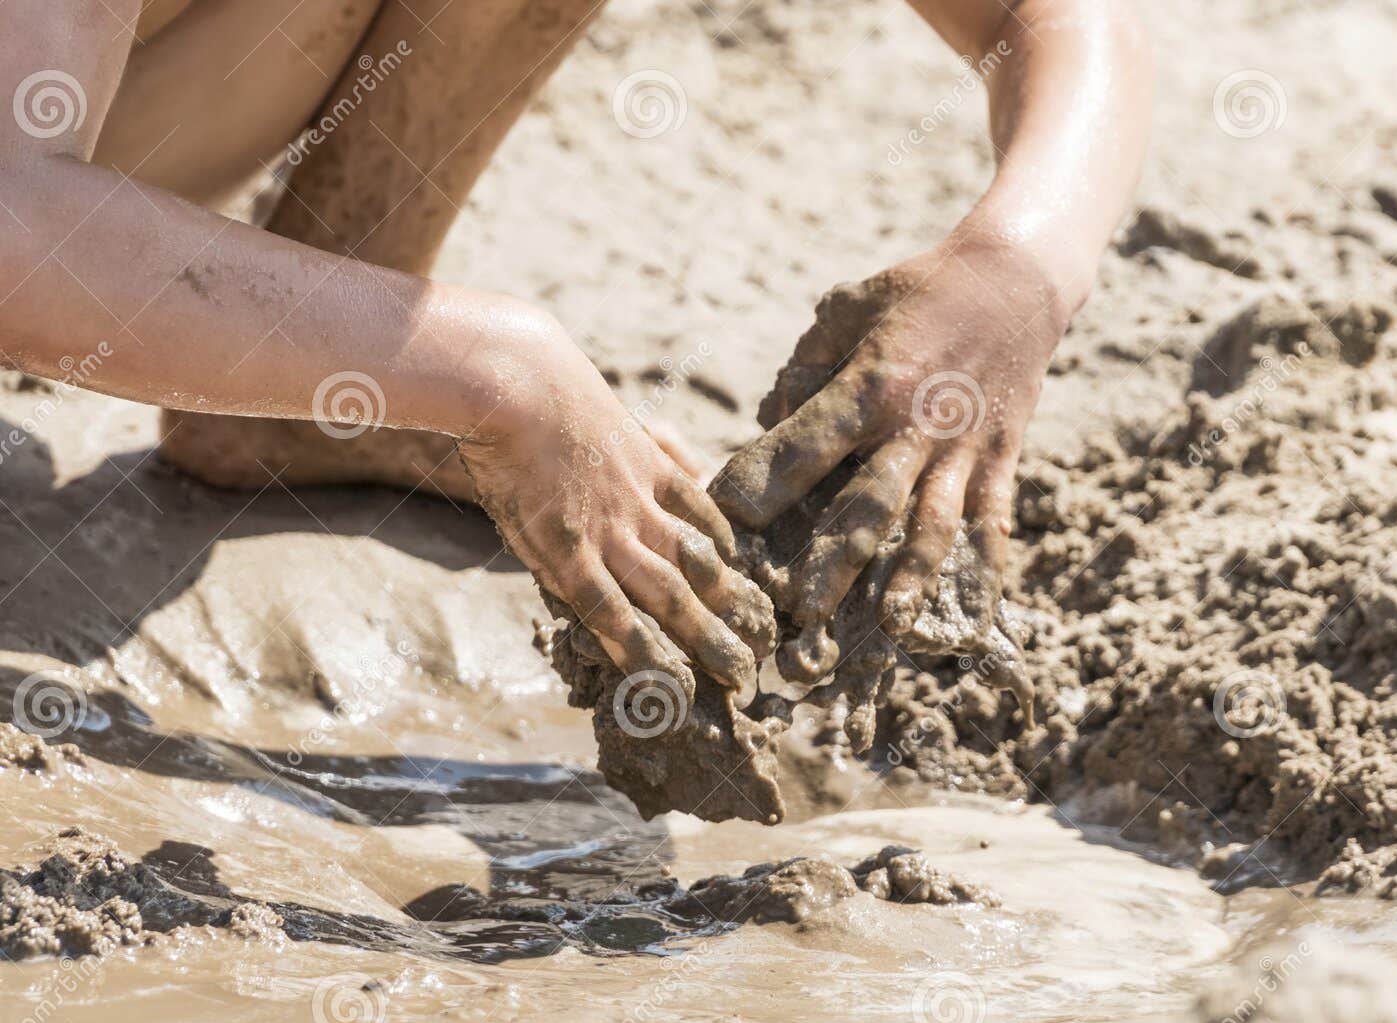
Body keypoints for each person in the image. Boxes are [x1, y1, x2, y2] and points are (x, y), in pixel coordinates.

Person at [0, 0, 1149, 706]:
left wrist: (1015, 267)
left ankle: (318, 389)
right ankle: (387, 371)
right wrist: (501, 374)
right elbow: (11, 229)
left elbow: (1057, 19)